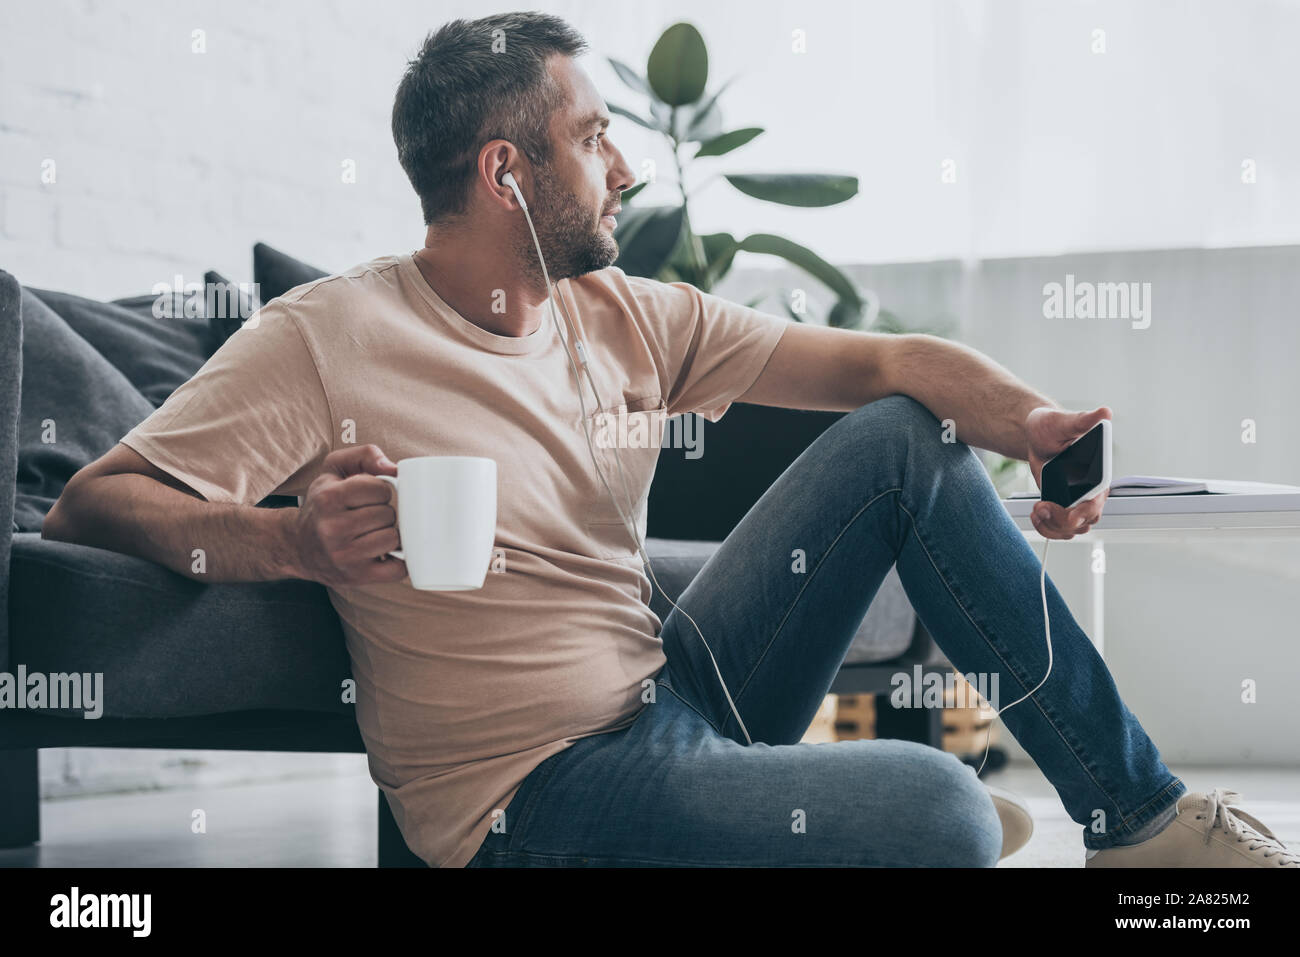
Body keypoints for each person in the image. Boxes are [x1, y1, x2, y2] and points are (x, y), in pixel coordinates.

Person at [44, 11, 1296, 869]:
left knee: (903, 439)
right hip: (535, 792)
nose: (625, 168)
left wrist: (1032, 424)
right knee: (949, 814)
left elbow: (885, 366)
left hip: (678, 688)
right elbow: (92, 504)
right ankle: (877, 827)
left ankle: (1132, 814)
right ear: (506, 172)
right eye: (592, 139)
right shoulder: (326, 335)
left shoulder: (621, 311)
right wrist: (290, 543)